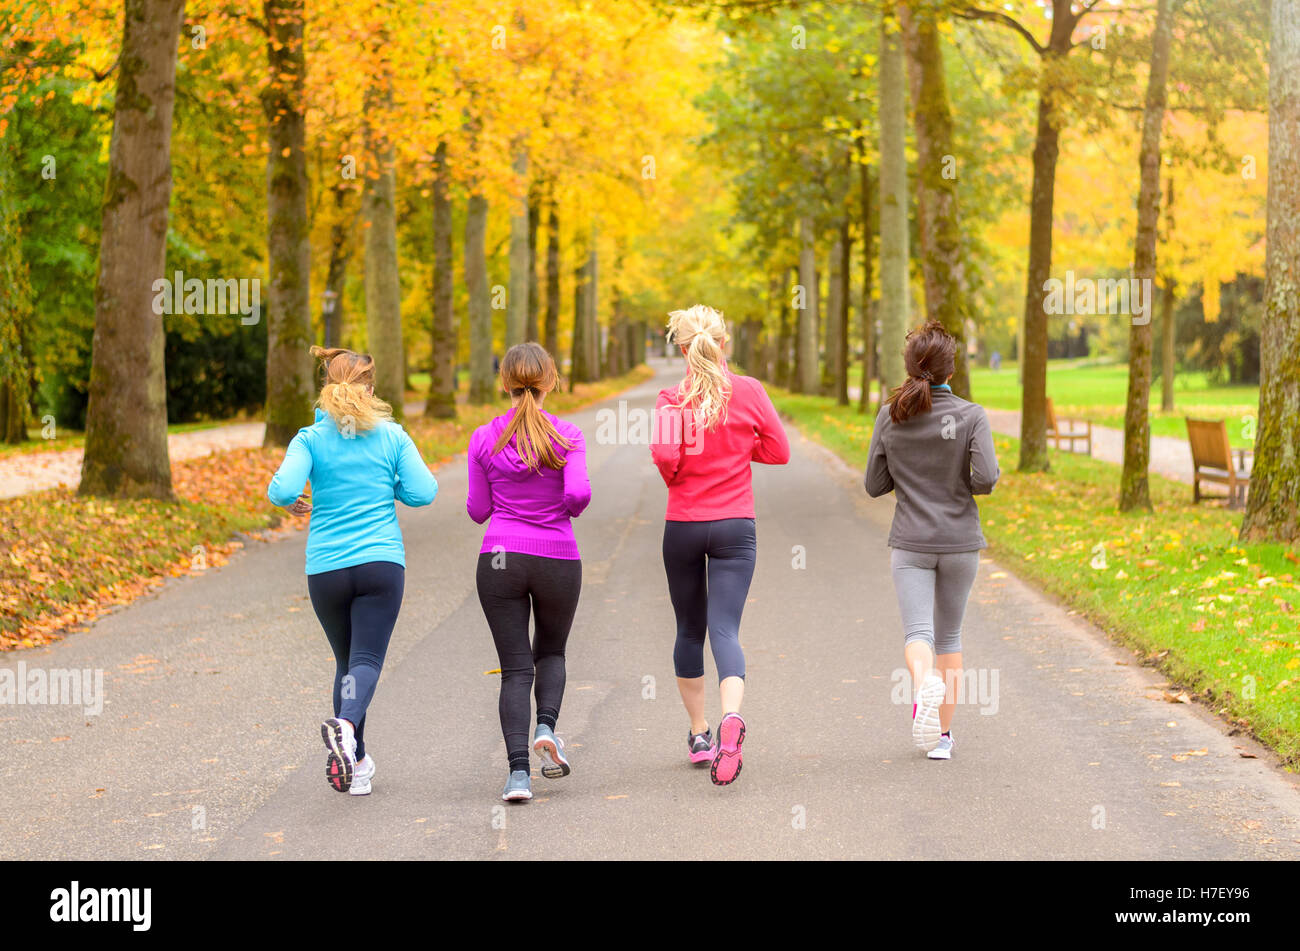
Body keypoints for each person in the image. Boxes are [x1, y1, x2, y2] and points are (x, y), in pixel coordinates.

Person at [267, 346, 438, 795]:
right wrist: (392, 485)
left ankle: (357, 764)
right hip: (381, 563)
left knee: (346, 662)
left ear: (326, 386)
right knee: (365, 661)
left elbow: (281, 488)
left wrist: (294, 501)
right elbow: (424, 492)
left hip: (326, 568)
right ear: (371, 386)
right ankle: (345, 727)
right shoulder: (391, 435)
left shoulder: (309, 438)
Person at [650, 305, 790, 786]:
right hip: (735, 525)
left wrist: (688, 469)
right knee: (724, 630)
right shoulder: (749, 391)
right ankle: (733, 717)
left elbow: (666, 462)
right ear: (724, 343)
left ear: (683, 348)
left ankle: (699, 734)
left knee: (689, 629)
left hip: (684, 525)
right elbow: (779, 450)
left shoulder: (671, 400)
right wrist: (738, 450)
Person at [864, 321, 999, 760]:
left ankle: (923, 684)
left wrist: (908, 476)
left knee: (918, 633)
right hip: (960, 541)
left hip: (911, 543)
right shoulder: (971, 415)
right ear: (951, 371)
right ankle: (941, 739)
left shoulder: (890, 415)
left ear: (909, 368)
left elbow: (873, 483)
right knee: (950, 638)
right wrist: (961, 485)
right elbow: (987, 478)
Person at [467, 342, 591, 802]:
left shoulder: (483, 438)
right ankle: (546, 727)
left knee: (515, 670)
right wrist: (554, 506)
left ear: (504, 384)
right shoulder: (568, 436)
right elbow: (578, 497)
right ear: (551, 382)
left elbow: (478, 510)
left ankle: (519, 776)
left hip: (500, 558)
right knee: (551, 653)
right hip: (557, 556)